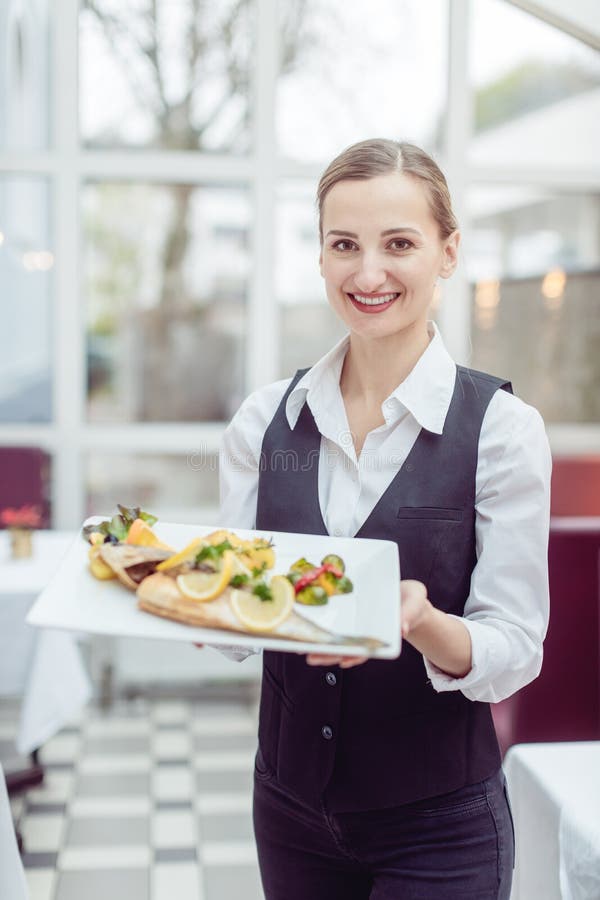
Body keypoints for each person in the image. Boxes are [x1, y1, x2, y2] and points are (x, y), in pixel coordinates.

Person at [218, 138, 551, 899]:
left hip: (440, 826)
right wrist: (156, 581)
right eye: (345, 245)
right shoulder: (265, 419)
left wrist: (422, 621)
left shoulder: (502, 430)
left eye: (398, 243)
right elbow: (235, 618)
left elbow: (517, 645)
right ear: (323, 255)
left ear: (447, 251)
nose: (367, 273)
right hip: (290, 810)